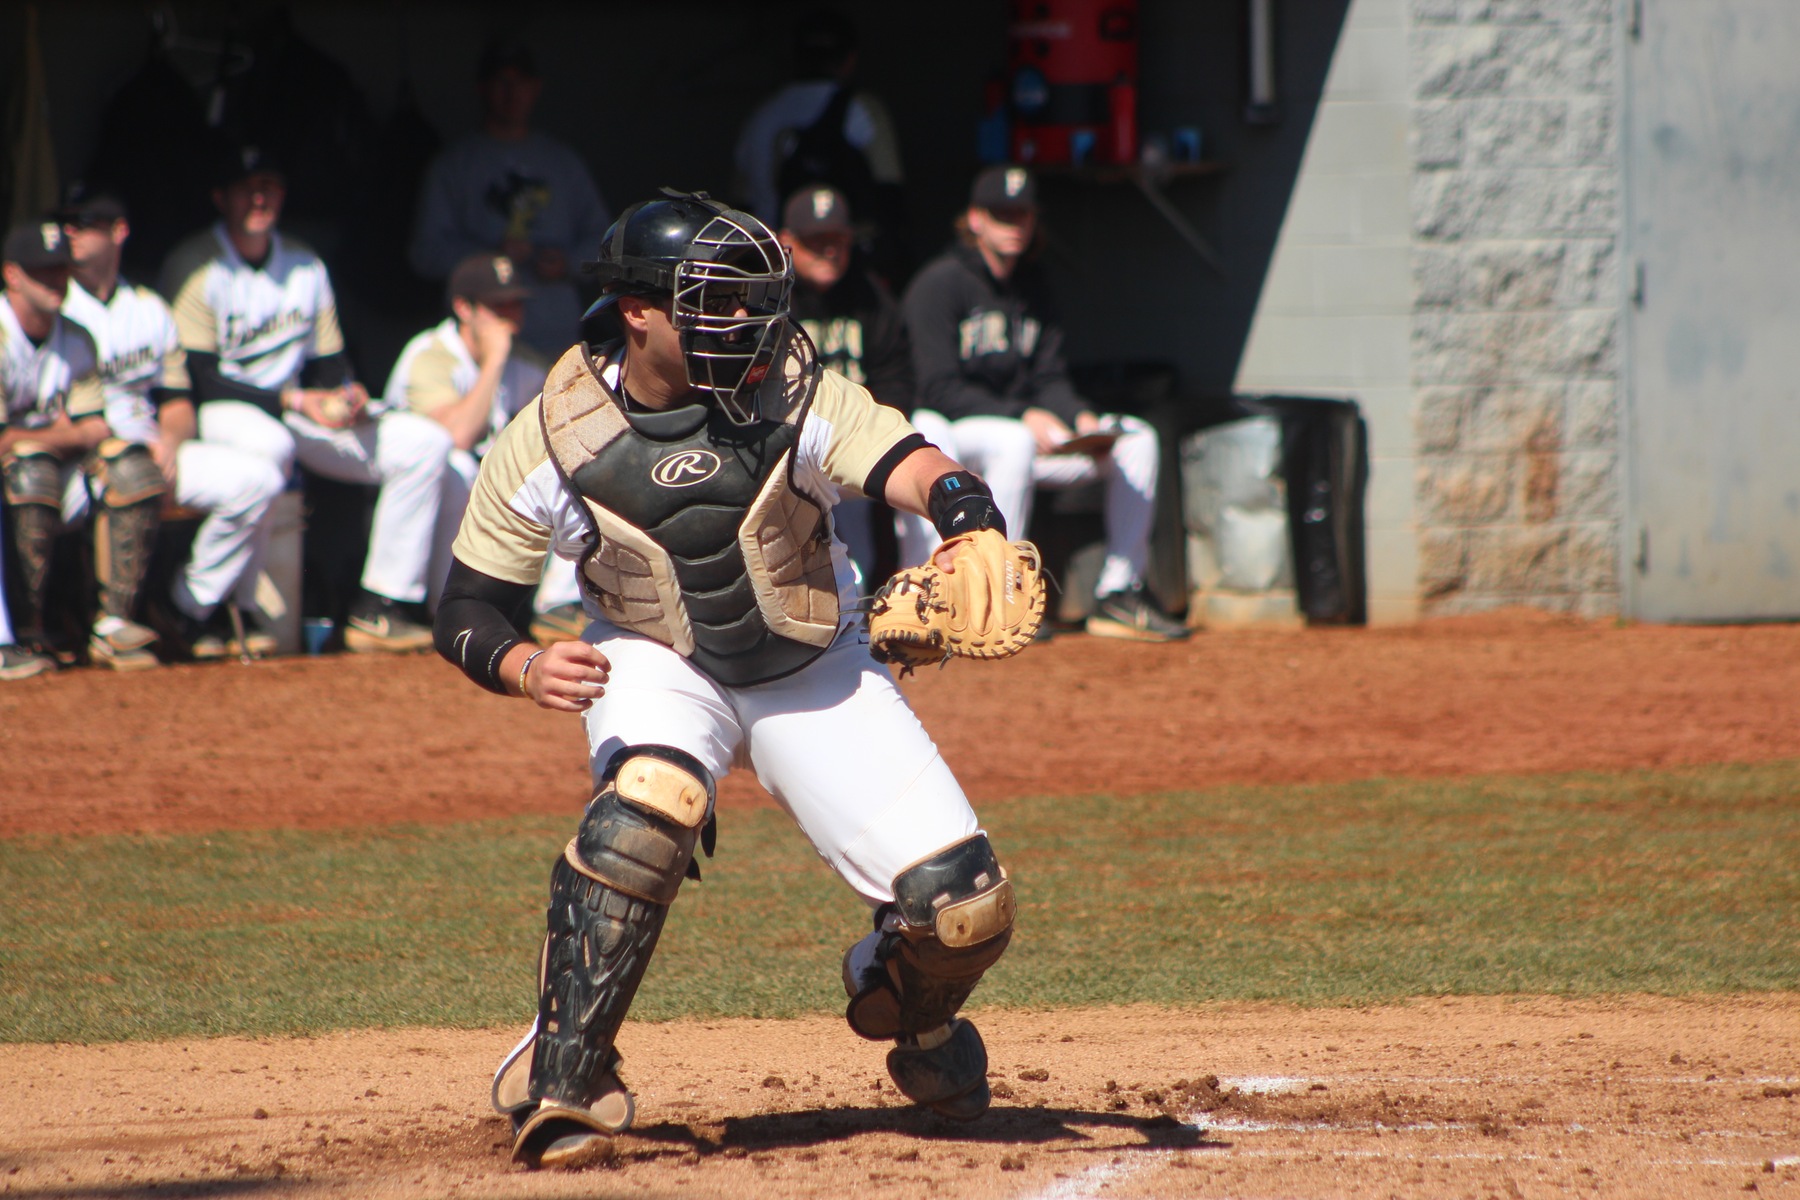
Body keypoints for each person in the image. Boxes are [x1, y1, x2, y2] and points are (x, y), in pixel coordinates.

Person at [434, 193, 1018, 1170]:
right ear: (639, 315)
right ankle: (567, 1073)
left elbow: (904, 460)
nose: (748, 324)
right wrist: (523, 664)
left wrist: (966, 512)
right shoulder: (554, 430)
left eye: (753, 301)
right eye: (716, 305)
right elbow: (463, 609)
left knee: (966, 912)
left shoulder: (792, 388)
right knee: (646, 805)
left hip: (810, 660)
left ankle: (910, 1008)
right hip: (653, 655)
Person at [163, 144, 453, 654]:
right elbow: (200, 379)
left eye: (270, 186)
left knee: (423, 442)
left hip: (297, 410)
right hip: (228, 412)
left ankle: (380, 606)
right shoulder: (196, 265)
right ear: (220, 197)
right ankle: (218, 608)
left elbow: (329, 361)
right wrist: (298, 401)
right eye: (248, 188)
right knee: (269, 445)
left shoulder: (303, 264)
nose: (260, 197)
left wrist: (349, 392)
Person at [902, 165, 1188, 642]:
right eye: (1001, 214)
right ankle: (995, 594)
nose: (1013, 224)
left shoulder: (1035, 286)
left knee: (1137, 438)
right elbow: (936, 388)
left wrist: (1079, 417)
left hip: (1024, 438)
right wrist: (1022, 415)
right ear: (974, 220)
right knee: (1013, 440)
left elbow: (1050, 376)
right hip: (956, 442)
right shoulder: (940, 283)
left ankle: (1118, 592)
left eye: (1022, 214)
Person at [60, 187, 288, 662]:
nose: (72, 234)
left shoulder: (148, 307)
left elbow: (178, 401)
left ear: (119, 231)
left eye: (86, 224)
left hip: (151, 450)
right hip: (83, 459)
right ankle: (81, 623)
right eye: (68, 224)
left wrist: (169, 443)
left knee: (259, 480)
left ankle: (187, 606)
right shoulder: (56, 308)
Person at [381, 252, 581, 632]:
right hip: (421, 502)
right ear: (463, 307)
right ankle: (438, 609)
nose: (510, 315)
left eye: (516, 304)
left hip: (487, 506)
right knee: (459, 468)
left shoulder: (527, 364)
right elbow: (457, 436)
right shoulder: (430, 355)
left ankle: (558, 605)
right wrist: (494, 362)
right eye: (497, 305)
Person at [410, 40, 612, 360]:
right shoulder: (455, 165)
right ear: (482, 88)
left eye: (520, 82)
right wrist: (491, 258)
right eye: (502, 82)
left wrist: (566, 263)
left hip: (556, 341)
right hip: (479, 348)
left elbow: (605, 245)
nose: (511, 92)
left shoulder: (563, 162)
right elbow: (426, 253)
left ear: (536, 88)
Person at [778, 184, 912, 588]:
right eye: (816, 242)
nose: (830, 251)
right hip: (792, 442)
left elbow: (897, 377)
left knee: (927, 440)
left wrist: (870, 430)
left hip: (855, 438)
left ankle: (924, 593)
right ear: (787, 243)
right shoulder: (769, 301)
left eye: (838, 241)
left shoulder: (871, 298)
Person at [0, 221, 113, 679]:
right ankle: (22, 630)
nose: (54, 281)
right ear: (12, 275)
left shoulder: (77, 337)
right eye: (40, 271)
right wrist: (59, 433)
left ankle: (112, 624)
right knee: (33, 472)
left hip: (47, 469)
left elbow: (96, 428)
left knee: (127, 471)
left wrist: (29, 437)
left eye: (59, 270)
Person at [733, 10, 905, 275]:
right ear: (850, 59)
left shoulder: (762, 117)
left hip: (773, 265)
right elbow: (890, 197)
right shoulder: (863, 112)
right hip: (844, 269)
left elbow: (742, 205)